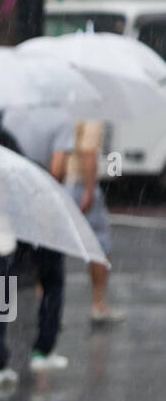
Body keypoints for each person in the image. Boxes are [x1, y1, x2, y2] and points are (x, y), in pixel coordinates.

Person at [0, 106, 75, 383]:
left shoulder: (6, 117)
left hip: (9, 208)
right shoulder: (61, 119)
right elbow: (58, 169)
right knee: (52, 279)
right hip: (44, 209)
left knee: (2, 281)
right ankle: (42, 350)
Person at [65, 119, 118, 323]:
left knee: (50, 248)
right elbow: (88, 154)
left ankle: (44, 308)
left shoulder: (67, 107)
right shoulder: (91, 117)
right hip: (79, 184)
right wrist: (89, 188)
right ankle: (98, 304)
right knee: (99, 244)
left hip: (60, 182)